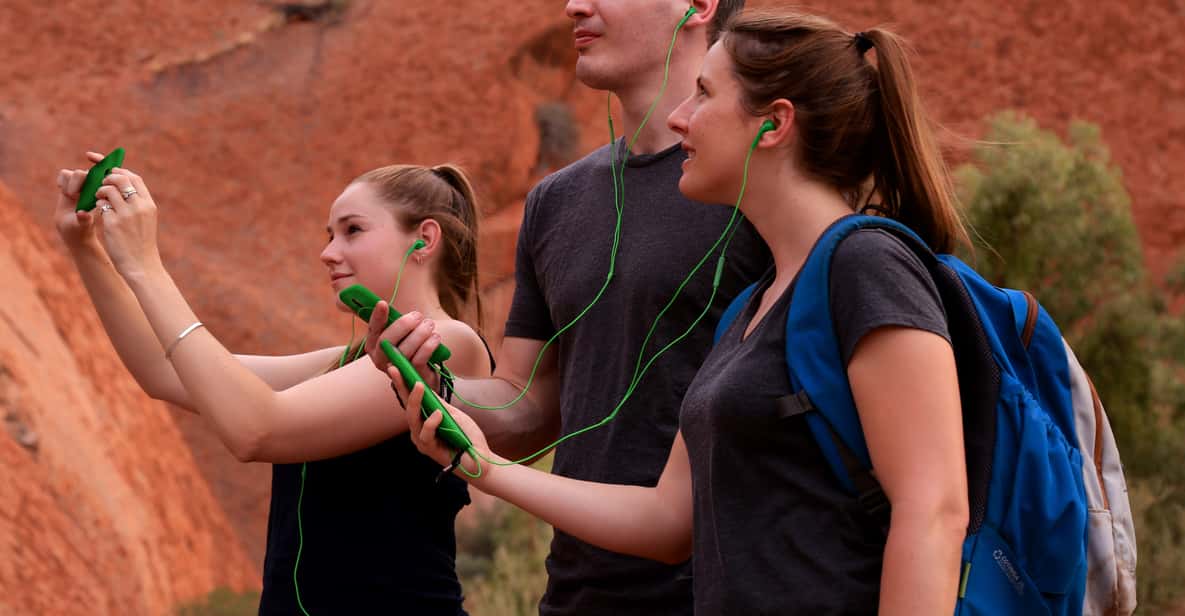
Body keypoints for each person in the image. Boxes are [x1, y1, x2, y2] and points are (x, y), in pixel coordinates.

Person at [393, 9, 970, 615]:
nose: (679, 117)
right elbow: (668, 519)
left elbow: (934, 510)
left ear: (772, 125)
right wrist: (480, 462)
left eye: (704, 93)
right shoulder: (747, 310)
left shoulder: (867, 262)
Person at [368, 1, 767, 614]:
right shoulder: (557, 200)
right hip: (580, 591)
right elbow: (528, 406)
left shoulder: (758, 181)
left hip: (725, 591)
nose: (574, 5)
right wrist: (429, 381)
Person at [52, 158, 491, 615]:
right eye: (329, 235)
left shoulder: (447, 346)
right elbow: (162, 371)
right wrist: (84, 244)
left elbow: (257, 430)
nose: (328, 251)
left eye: (352, 230)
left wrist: (147, 267)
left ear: (423, 239)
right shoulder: (348, 362)